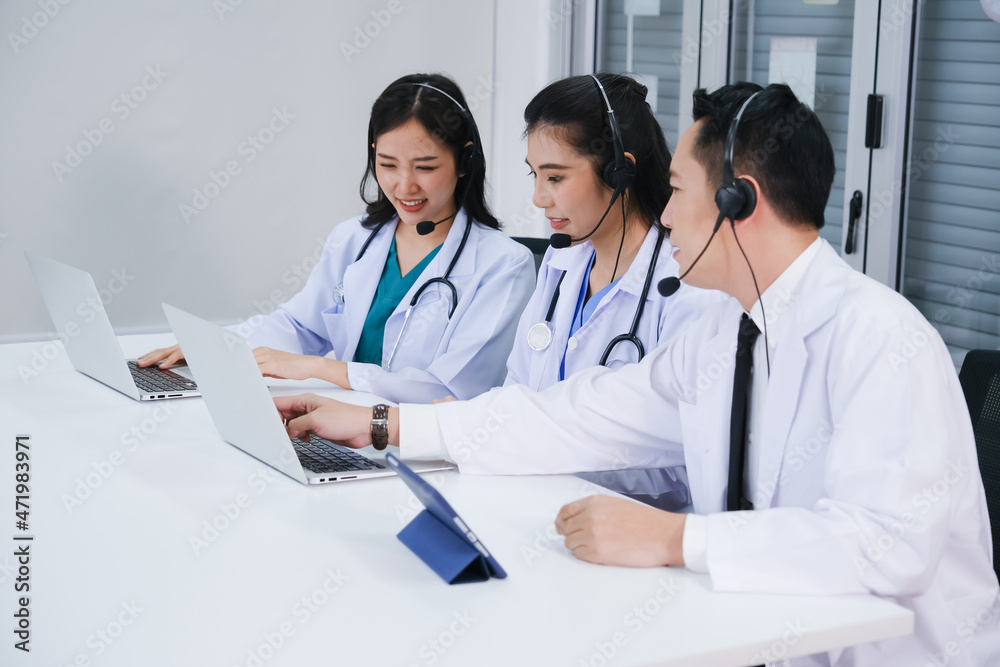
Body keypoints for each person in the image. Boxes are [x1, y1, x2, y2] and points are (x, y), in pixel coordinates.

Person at [271, 82, 1000, 665]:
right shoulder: (722, 331)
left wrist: (674, 538)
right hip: (750, 633)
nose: (666, 214)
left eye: (677, 191)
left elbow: (889, 545)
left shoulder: (881, 338)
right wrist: (383, 422)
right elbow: (573, 413)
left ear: (738, 202)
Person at [140, 74, 535, 403]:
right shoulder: (354, 238)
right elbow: (300, 326)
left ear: (465, 161)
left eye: (425, 167)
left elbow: (452, 390)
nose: (404, 186)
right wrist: (218, 347)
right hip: (339, 431)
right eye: (387, 164)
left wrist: (323, 368)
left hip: (421, 448)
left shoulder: (504, 266)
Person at [506, 73, 722, 507]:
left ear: (619, 172)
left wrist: (542, 450)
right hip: (531, 497)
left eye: (555, 178)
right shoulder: (561, 262)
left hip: (626, 524)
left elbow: (680, 462)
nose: (538, 199)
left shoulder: (687, 284)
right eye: (535, 175)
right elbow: (516, 394)